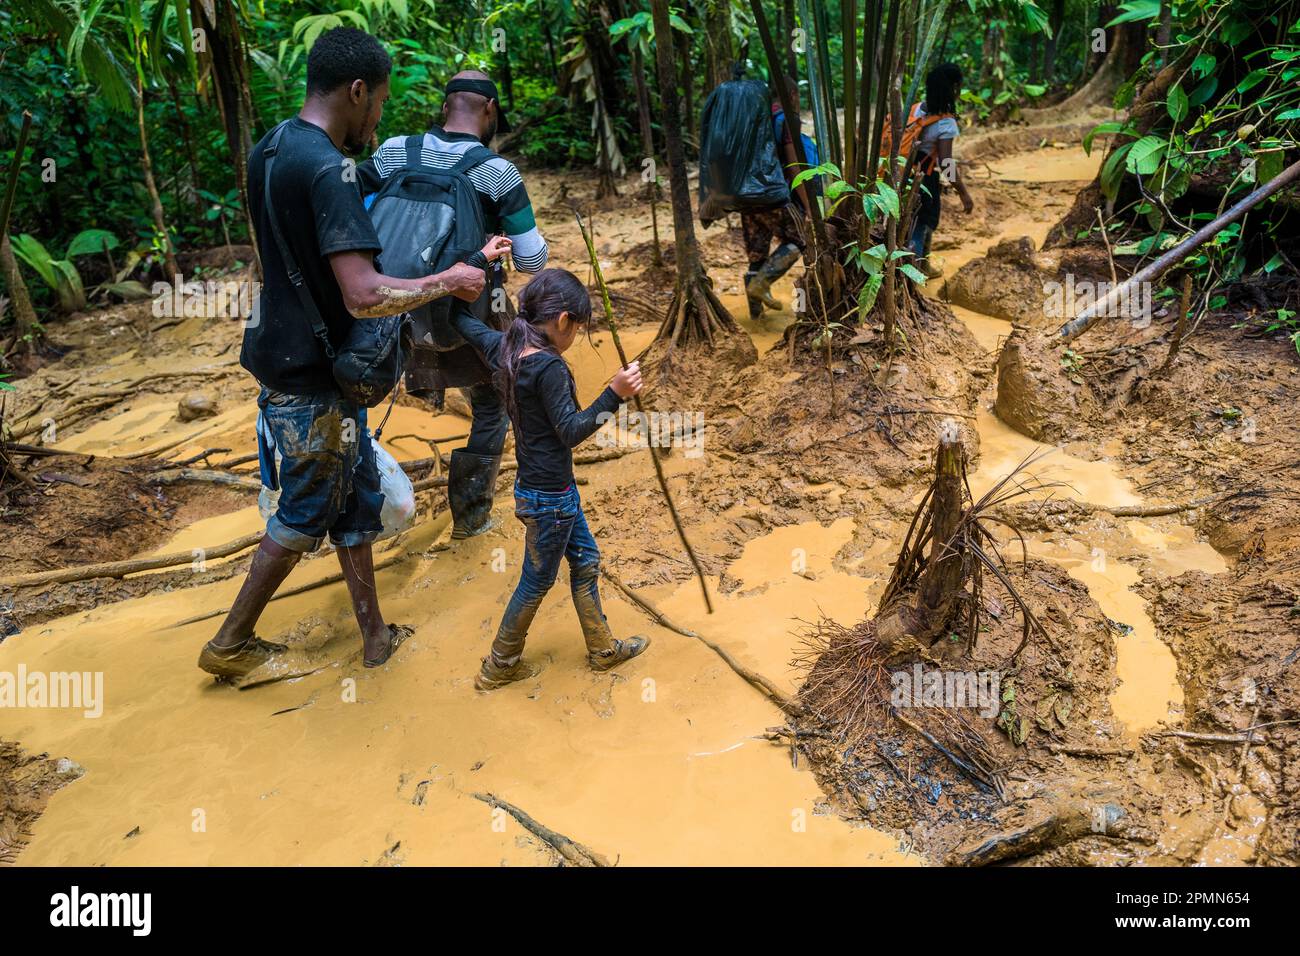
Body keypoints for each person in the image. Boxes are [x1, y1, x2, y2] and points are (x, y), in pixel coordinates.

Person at [198, 27, 494, 679]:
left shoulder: (271, 148)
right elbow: (363, 296)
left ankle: (375, 636)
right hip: (311, 378)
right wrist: (451, 279)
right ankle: (229, 643)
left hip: (291, 354)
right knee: (304, 513)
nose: (380, 117)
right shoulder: (331, 168)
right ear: (357, 92)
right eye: (381, 102)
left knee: (355, 497)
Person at [359, 71, 549, 541]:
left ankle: (353, 512)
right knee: (490, 404)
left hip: (391, 307)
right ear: (490, 112)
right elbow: (531, 259)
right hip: (466, 316)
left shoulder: (394, 152)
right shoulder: (498, 172)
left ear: (445, 107)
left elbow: (353, 209)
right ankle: (470, 515)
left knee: (357, 401)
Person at [448, 268, 651, 691]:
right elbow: (571, 431)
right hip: (551, 500)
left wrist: (470, 271)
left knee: (586, 561)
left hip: (544, 491)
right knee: (535, 581)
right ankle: (499, 666)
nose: (575, 334)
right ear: (563, 322)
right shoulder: (548, 368)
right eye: (577, 327)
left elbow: (462, 321)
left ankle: (602, 649)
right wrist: (615, 393)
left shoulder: (503, 346)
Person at [905, 63, 975, 279]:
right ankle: (911, 274)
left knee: (910, 222)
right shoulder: (945, 123)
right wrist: (963, 192)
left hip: (901, 174)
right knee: (922, 222)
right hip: (923, 178)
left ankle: (922, 267)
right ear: (953, 88)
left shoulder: (915, 109)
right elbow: (946, 163)